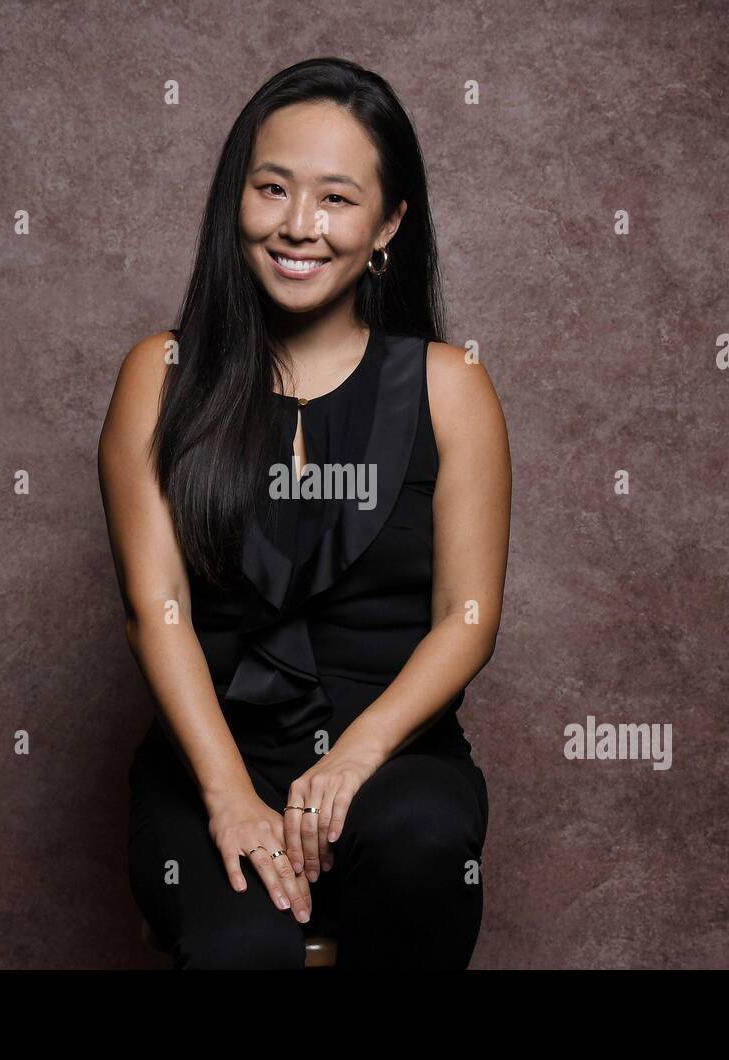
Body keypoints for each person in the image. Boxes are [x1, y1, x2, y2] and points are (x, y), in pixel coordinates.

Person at [97, 57, 511, 969]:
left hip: (391, 757)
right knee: (245, 953)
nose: (297, 226)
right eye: (272, 188)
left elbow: (467, 620)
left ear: (389, 223)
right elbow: (152, 605)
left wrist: (353, 761)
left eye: (335, 199)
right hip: (209, 761)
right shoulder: (159, 377)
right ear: (233, 200)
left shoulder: (451, 386)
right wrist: (228, 795)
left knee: (425, 848)